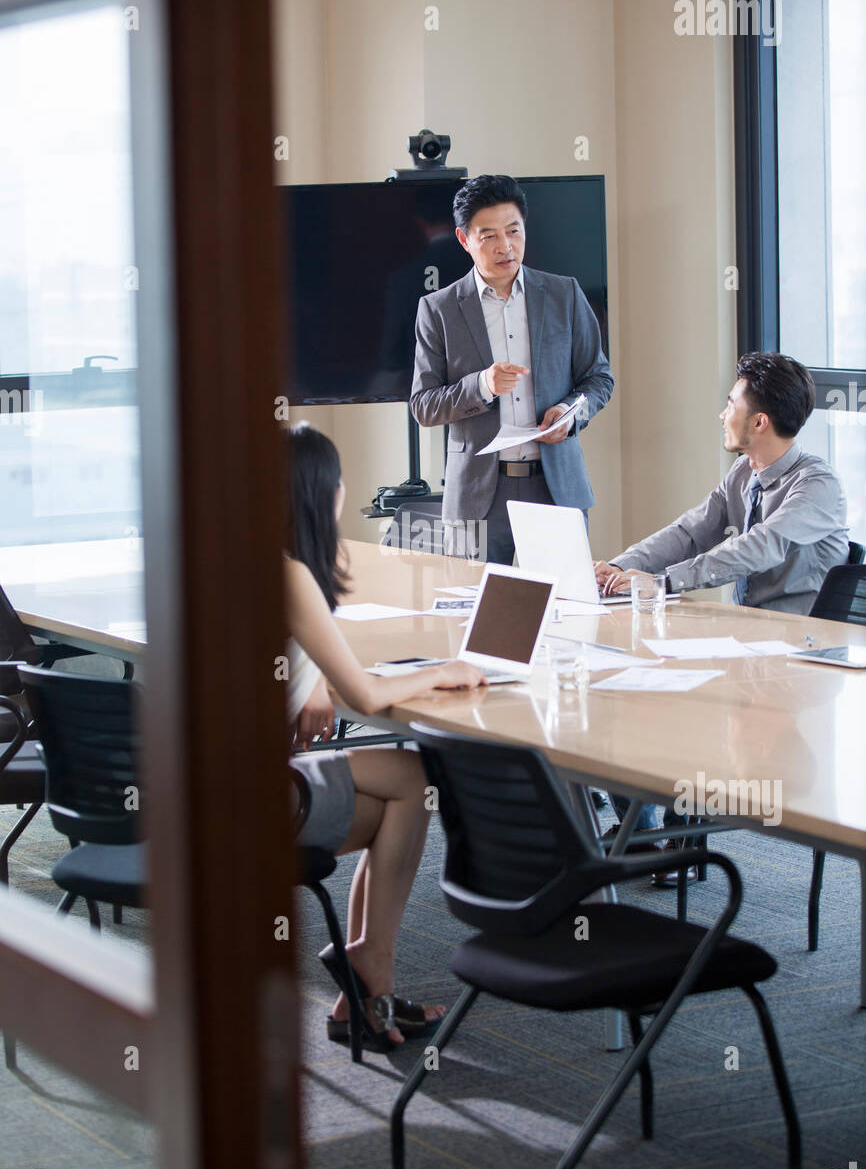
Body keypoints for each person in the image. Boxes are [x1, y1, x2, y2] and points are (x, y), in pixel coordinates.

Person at [593, 351, 849, 883]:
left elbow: (758, 547)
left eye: (731, 402)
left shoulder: (816, 485)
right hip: (746, 643)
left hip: (798, 659)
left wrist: (663, 584)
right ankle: (645, 833)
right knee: (621, 683)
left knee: (675, 702)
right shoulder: (743, 474)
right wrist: (620, 566)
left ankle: (674, 839)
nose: (722, 412)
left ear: (759, 421)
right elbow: (690, 532)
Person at [284, 423, 487, 1049]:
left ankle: (365, 987)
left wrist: (313, 679)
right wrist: (443, 671)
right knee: (415, 783)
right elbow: (369, 697)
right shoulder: (289, 575)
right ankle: (371, 970)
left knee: (406, 782)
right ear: (324, 493)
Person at [410, 174, 613, 564]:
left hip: (555, 488)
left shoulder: (565, 294)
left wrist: (570, 414)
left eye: (513, 231)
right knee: (475, 602)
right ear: (464, 239)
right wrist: (482, 385)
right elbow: (423, 406)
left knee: (564, 599)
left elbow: (599, 378)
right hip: (477, 497)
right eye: (488, 236)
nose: (505, 246)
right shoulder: (438, 309)